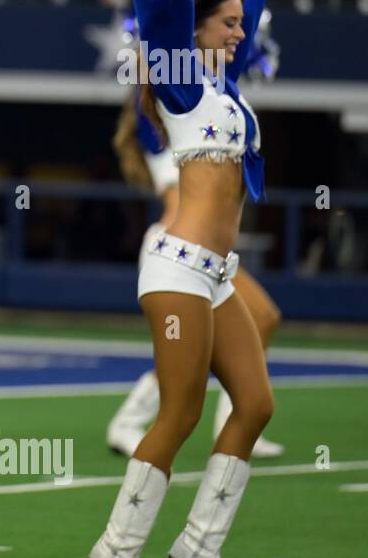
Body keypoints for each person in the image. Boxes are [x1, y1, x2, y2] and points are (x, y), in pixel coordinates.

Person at [89, 0, 287, 558]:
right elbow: (165, 4)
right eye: (227, 24)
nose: (241, 33)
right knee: (181, 410)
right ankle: (118, 544)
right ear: (196, 28)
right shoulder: (179, 84)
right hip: (176, 265)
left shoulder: (224, 84)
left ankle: (201, 542)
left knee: (256, 403)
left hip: (218, 269)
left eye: (240, 25)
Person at [107, 90, 283, 458]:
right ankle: (128, 421)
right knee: (195, 351)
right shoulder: (159, 121)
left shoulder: (196, 113)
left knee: (257, 321)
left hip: (204, 253)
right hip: (175, 250)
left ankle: (234, 419)